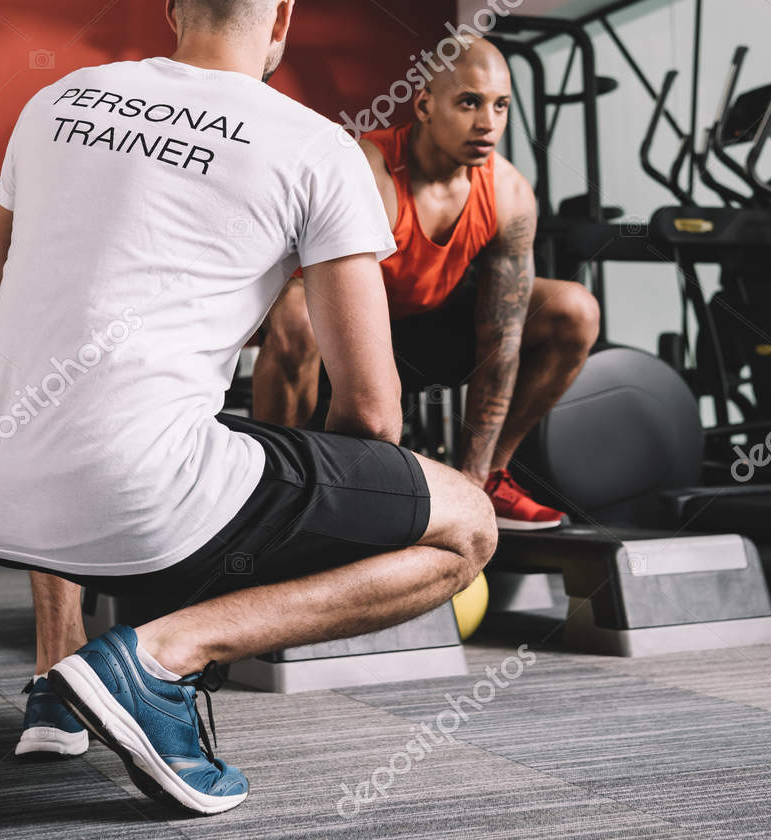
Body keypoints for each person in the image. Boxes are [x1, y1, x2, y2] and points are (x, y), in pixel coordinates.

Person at [0, 0, 495, 815]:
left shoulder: (57, 100)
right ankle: (161, 659)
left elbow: (21, 297)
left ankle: (56, 684)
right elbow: (373, 413)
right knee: (466, 527)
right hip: (129, 494)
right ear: (283, 19)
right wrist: (316, 533)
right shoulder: (319, 147)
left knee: (86, 402)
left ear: (173, 6)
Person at [252, 36, 599, 530]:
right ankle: (274, 496)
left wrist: (473, 478)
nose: (488, 123)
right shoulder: (370, 172)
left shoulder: (508, 192)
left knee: (573, 309)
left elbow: (502, 338)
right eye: (469, 103)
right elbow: (325, 305)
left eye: (501, 105)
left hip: (428, 334)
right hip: (342, 347)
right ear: (424, 106)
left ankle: (490, 480)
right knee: (295, 316)